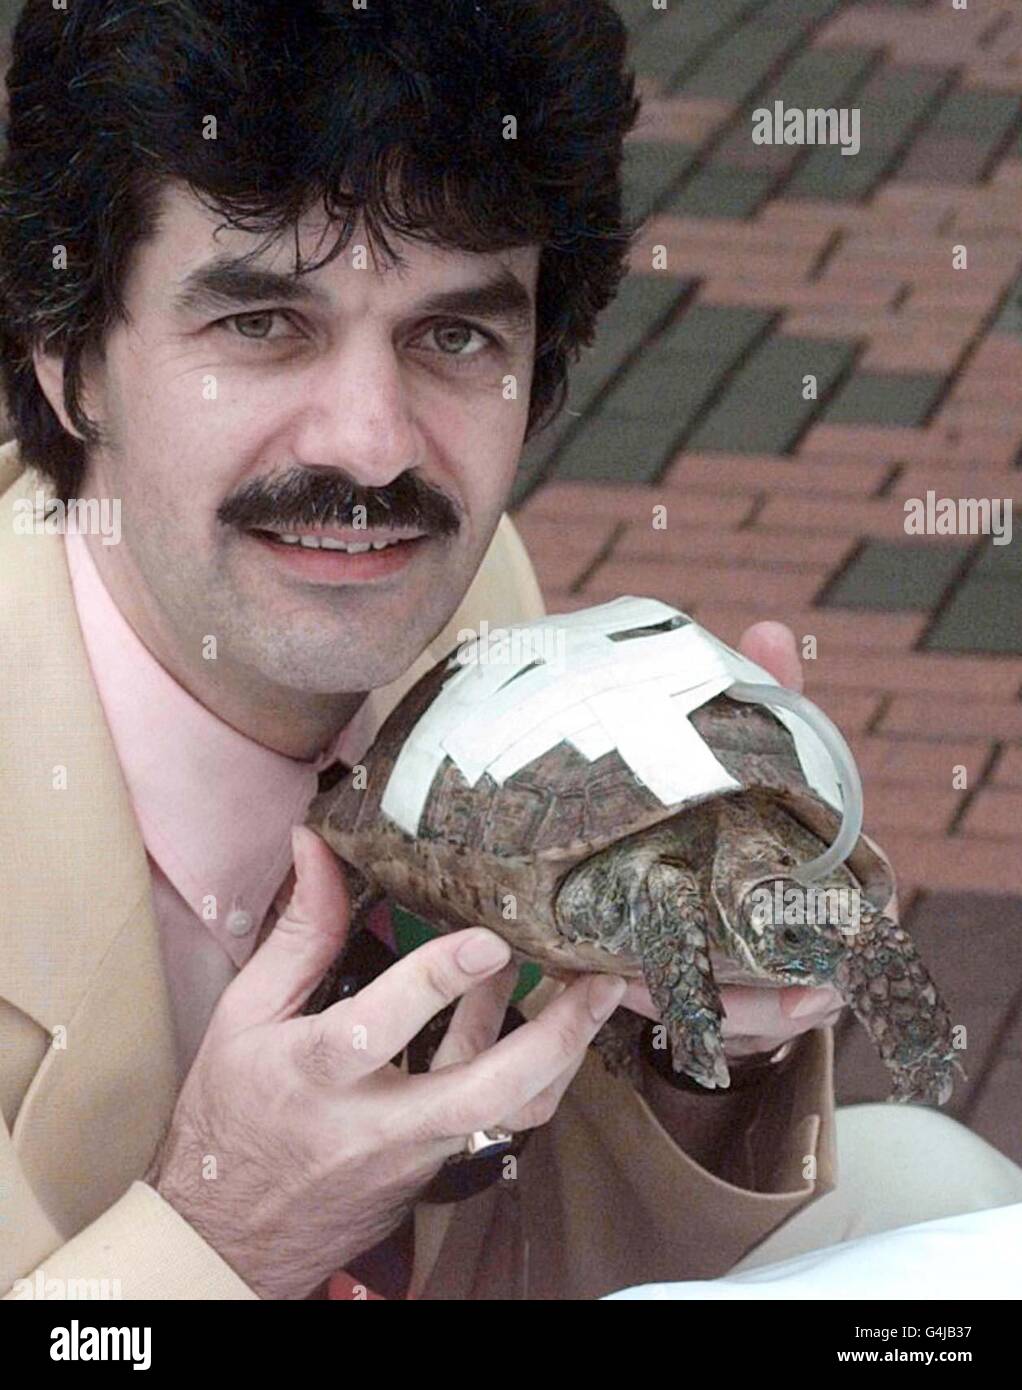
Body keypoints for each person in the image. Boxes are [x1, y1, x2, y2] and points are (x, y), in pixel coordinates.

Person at [1, 0, 1019, 1302]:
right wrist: (226, 1229)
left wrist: (686, 1031)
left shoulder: (469, 591)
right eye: (261, 324)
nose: (372, 449)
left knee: (940, 1185)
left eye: (453, 335)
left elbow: (522, 1225)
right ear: (65, 346)